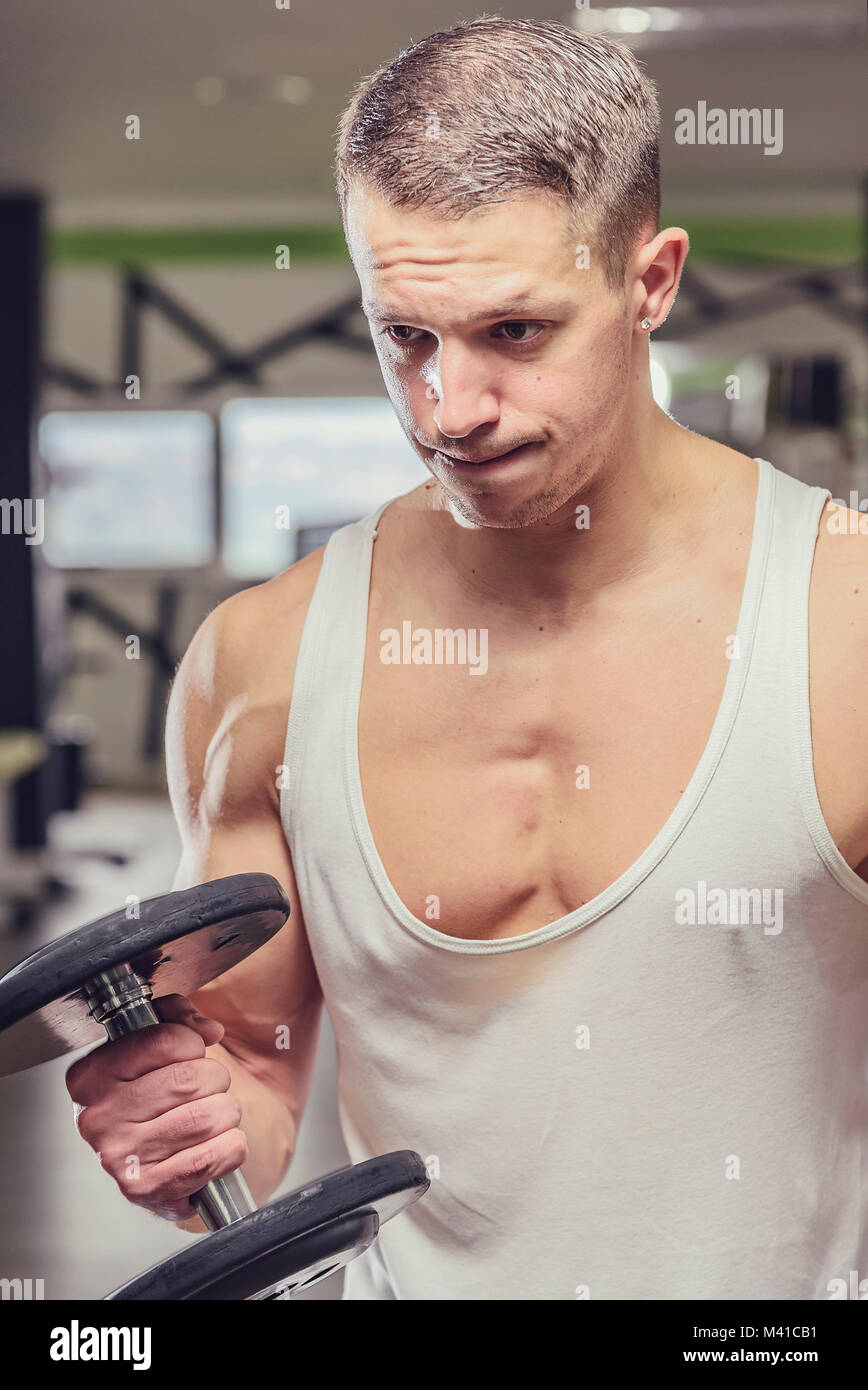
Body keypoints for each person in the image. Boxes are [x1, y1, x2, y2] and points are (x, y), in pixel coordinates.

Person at [67, 17, 868, 1300]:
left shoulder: (843, 624)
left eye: (513, 330)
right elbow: (259, 1081)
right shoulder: (262, 663)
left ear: (648, 283)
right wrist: (187, 1124)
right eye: (407, 338)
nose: (451, 410)